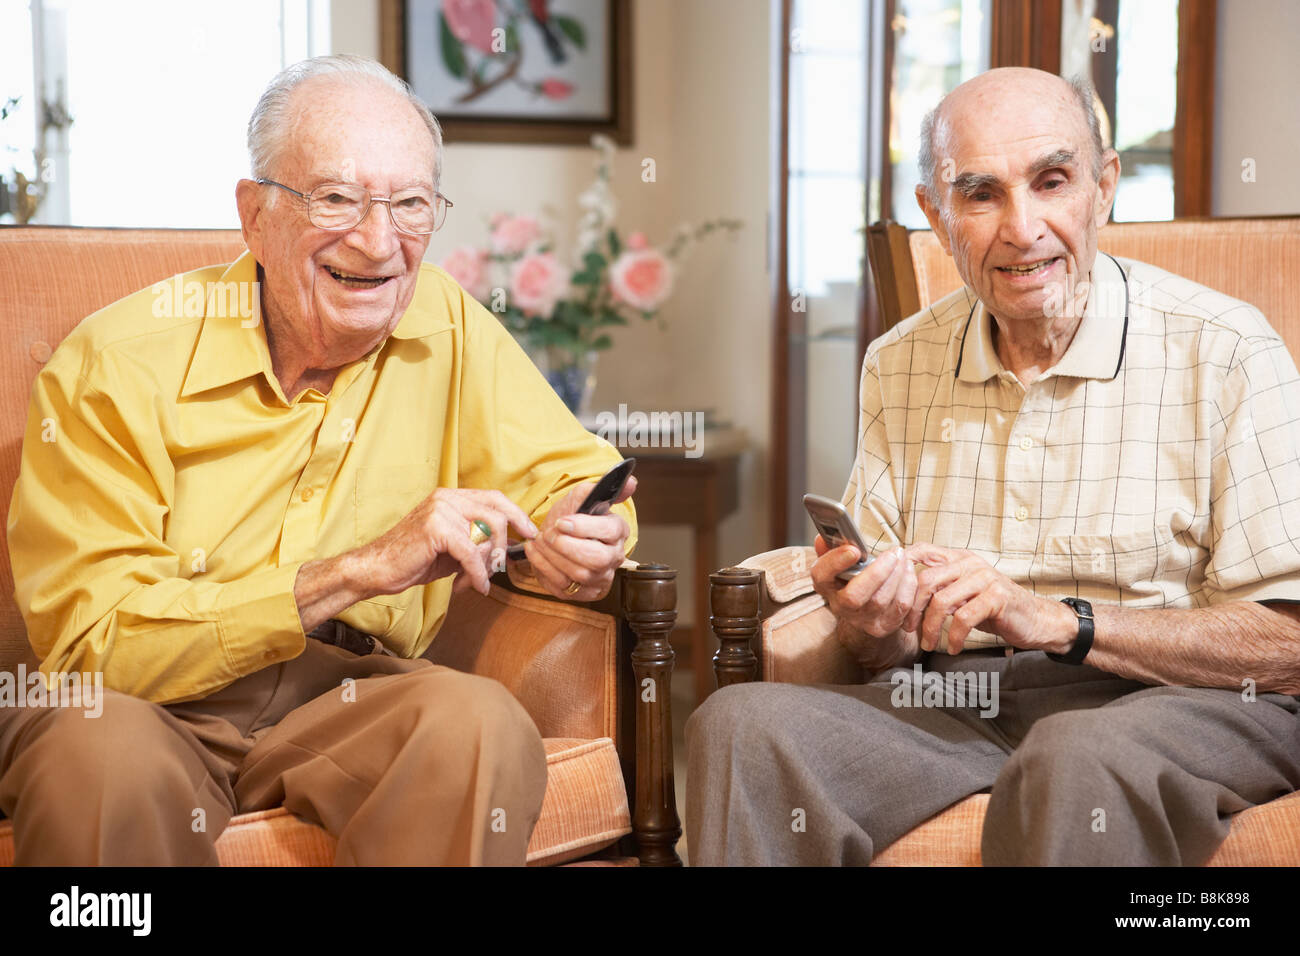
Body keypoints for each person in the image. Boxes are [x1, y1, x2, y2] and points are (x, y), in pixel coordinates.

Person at [0, 55, 636, 865]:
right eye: (337, 199)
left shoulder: (445, 322)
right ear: (255, 215)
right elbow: (95, 646)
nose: (378, 244)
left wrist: (577, 528)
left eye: (410, 204)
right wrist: (357, 570)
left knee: (475, 725)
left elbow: (570, 476)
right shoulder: (116, 365)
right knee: (98, 759)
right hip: (141, 700)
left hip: (348, 691)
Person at [687, 67, 1300, 866]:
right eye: (980, 195)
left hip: (1180, 704)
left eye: (1052, 181)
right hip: (960, 703)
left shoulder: (1225, 350)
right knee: (741, 725)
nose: (1023, 227)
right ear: (937, 218)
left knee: (1076, 757)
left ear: (1104, 186)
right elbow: (885, 656)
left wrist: (1056, 620)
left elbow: (1284, 645)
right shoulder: (897, 362)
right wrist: (871, 621)